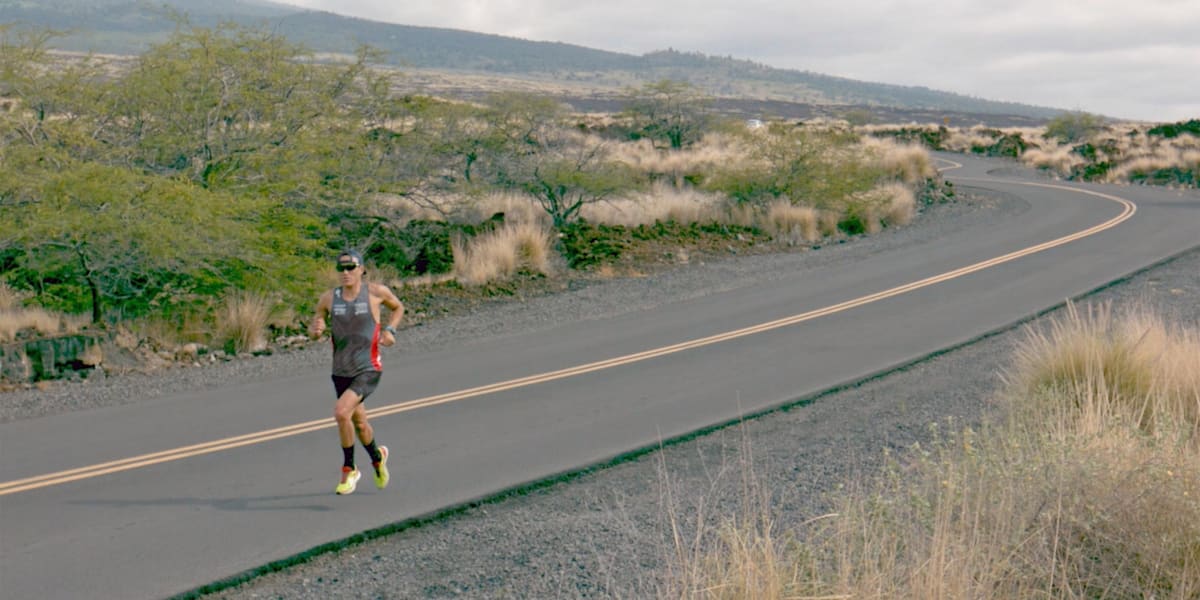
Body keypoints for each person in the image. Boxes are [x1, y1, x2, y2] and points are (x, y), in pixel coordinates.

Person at [309, 249, 405, 495]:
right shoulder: (329, 298)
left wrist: (390, 331)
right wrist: (316, 330)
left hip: (368, 368)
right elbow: (316, 324)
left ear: (361, 269)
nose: (345, 273)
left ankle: (349, 468)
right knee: (360, 424)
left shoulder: (375, 293)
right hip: (341, 370)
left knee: (341, 412)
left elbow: (398, 308)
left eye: (351, 267)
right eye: (341, 268)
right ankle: (377, 458)